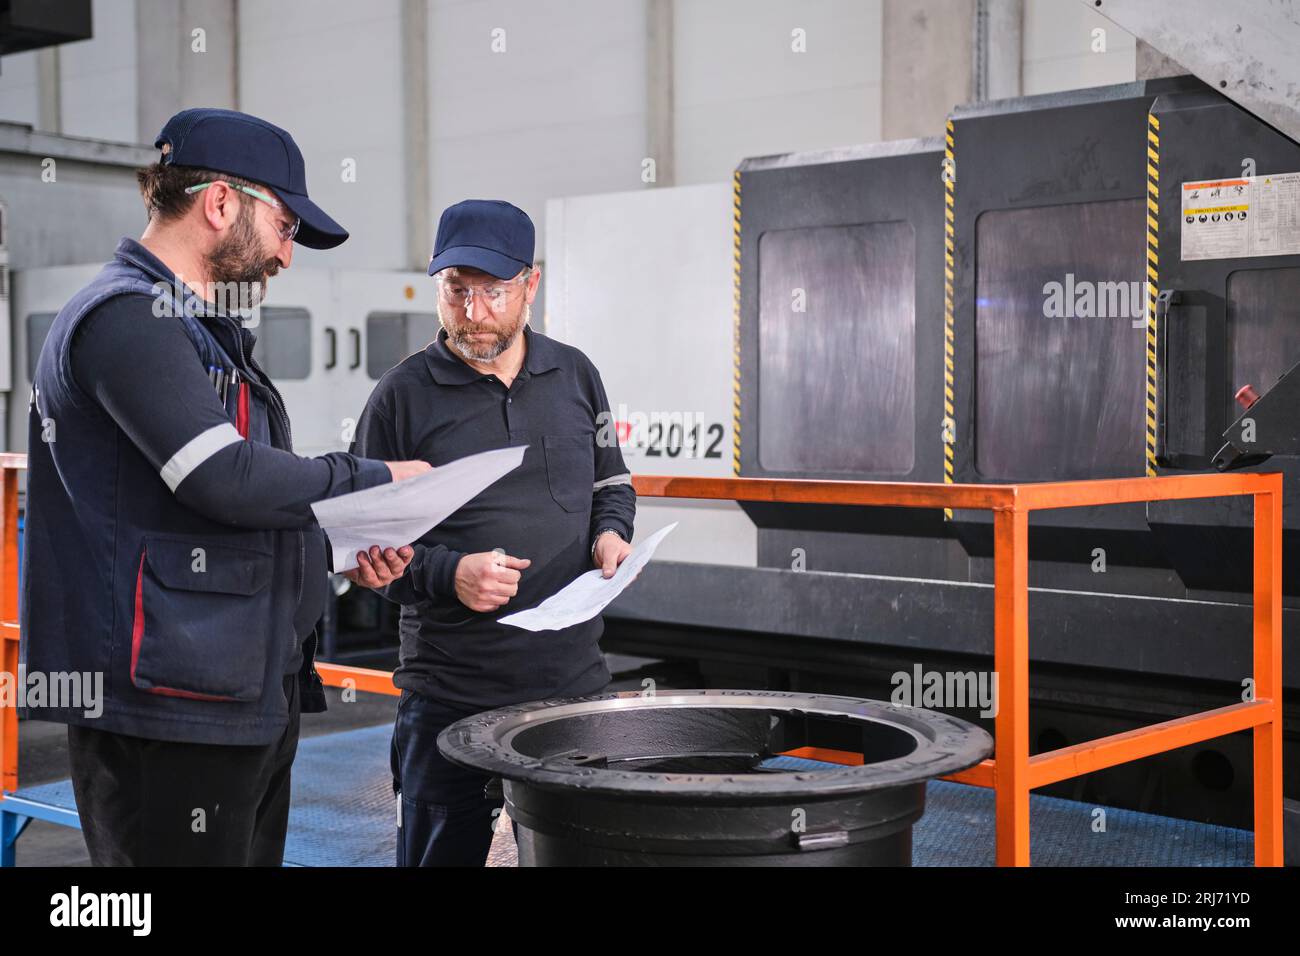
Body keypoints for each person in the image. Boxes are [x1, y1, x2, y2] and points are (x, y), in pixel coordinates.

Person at [19, 108, 430, 866]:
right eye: (283, 226)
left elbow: (214, 504)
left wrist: (339, 544)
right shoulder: (128, 320)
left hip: (232, 688)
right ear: (219, 203)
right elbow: (220, 478)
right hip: (167, 707)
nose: (287, 254)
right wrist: (376, 480)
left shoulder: (194, 330)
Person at [352, 199, 637, 866]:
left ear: (531, 285)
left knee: (583, 855)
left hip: (572, 687)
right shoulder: (400, 398)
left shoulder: (576, 375)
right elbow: (363, 551)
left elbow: (611, 483)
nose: (473, 312)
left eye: (492, 291)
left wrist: (612, 534)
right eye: (456, 291)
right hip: (451, 696)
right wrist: (449, 573)